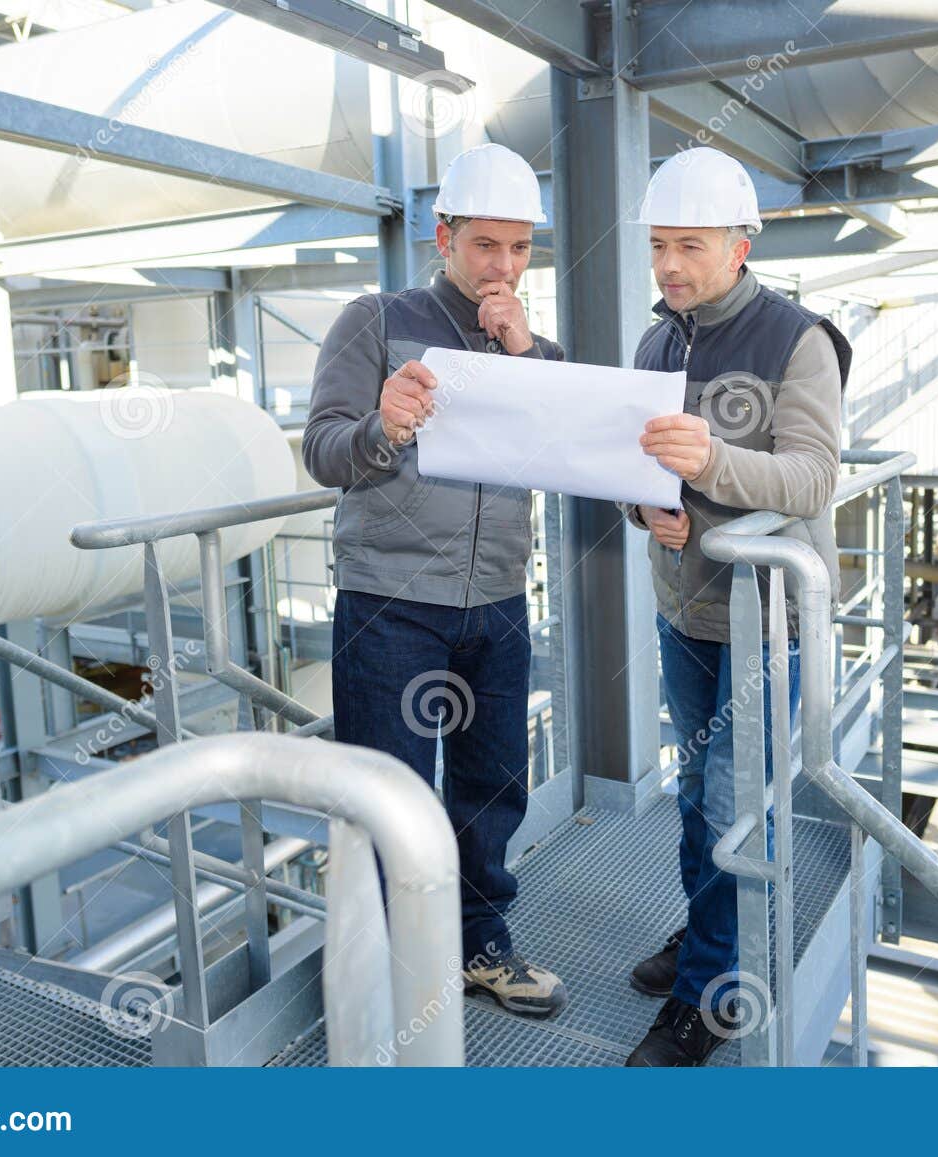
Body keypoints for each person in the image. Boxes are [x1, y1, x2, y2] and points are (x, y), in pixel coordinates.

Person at [302, 143, 567, 1018]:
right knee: (391, 788)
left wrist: (528, 357)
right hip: (391, 603)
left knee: (492, 782)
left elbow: (575, 443)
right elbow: (323, 452)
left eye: (521, 248)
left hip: (496, 599)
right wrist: (384, 425)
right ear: (444, 236)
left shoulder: (535, 348)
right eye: (487, 245)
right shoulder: (374, 320)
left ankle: (482, 942)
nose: (504, 267)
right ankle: (387, 970)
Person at [621, 147, 850, 1065]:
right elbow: (628, 466)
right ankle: (705, 943)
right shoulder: (653, 340)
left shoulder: (799, 339)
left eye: (690, 245)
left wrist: (706, 462)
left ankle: (711, 993)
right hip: (686, 612)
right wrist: (644, 503)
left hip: (768, 623)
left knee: (727, 809)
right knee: (693, 799)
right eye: (659, 247)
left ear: (740, 246)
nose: (670, 265)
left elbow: (811, 477)